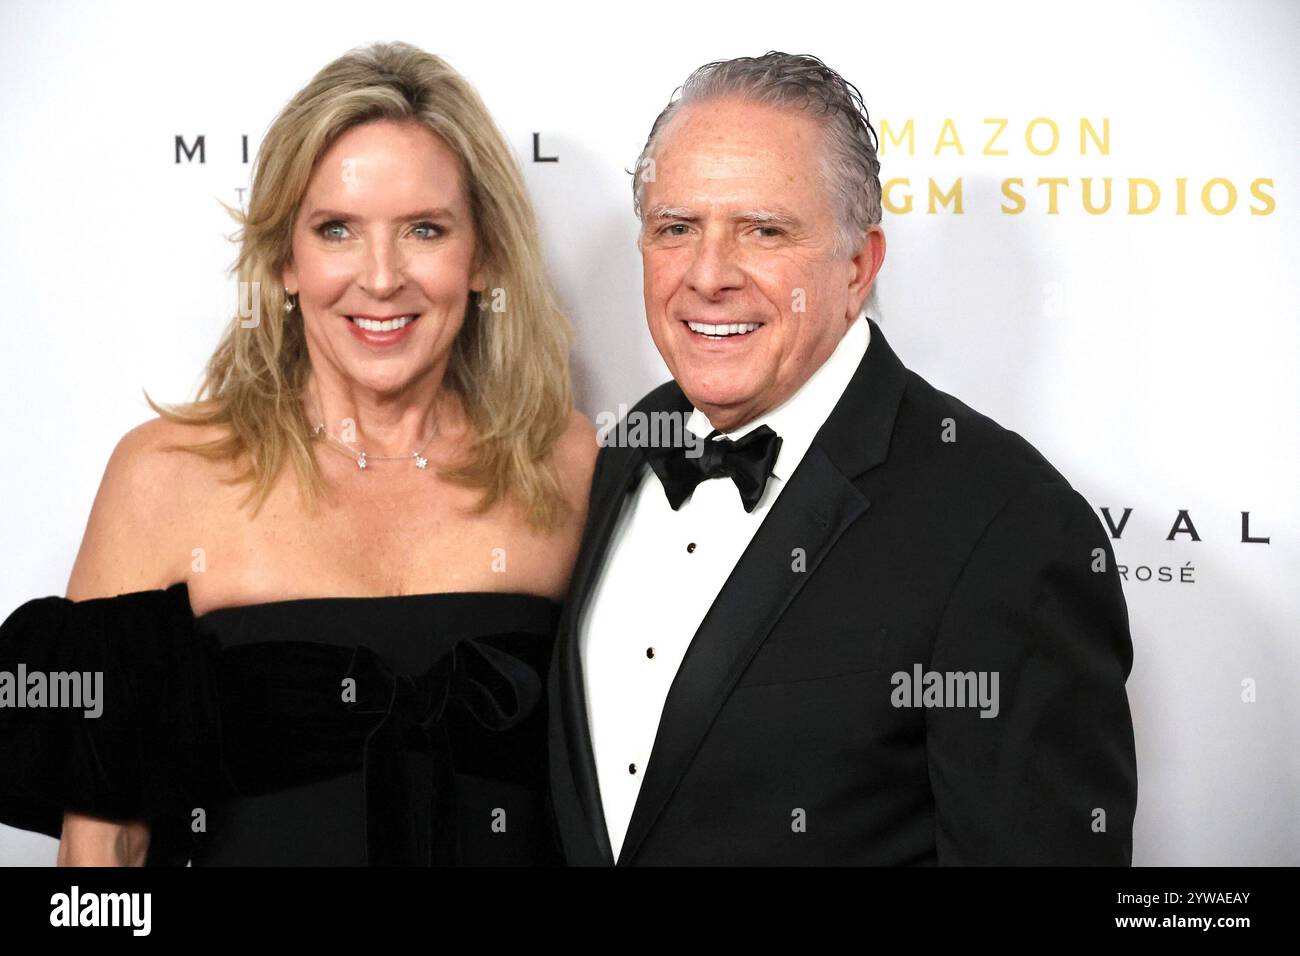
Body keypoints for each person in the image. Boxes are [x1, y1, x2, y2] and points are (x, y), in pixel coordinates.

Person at [0, 40, 596, 866]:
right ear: (285, 259)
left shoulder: (567, 464)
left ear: (483, 255)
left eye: (425, 229)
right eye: (337, 230)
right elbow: (102, 852)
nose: (382, 278)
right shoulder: (167, 477)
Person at [548, 52, 1138, 865]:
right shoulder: (626, 449)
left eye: (764, 230)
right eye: (677, 228)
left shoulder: (1008, 529)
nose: (708, 275)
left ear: (858, 265)